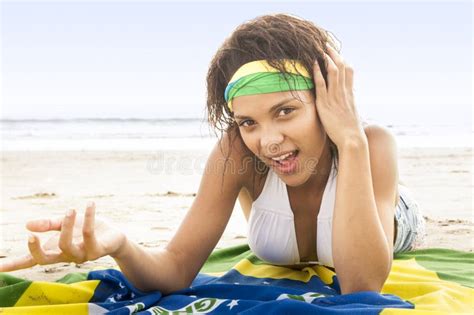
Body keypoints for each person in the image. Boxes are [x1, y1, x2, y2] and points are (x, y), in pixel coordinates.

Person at [0, 14, 426, 295]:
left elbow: (362, 288)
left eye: (286, 111)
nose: (270, 140)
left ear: (328, 99)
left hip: (396, 212)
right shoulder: (237, 154)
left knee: (382, 186)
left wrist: (350, 140)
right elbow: (175, 269)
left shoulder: (370, 143)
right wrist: (122, 244)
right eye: (249, 122)